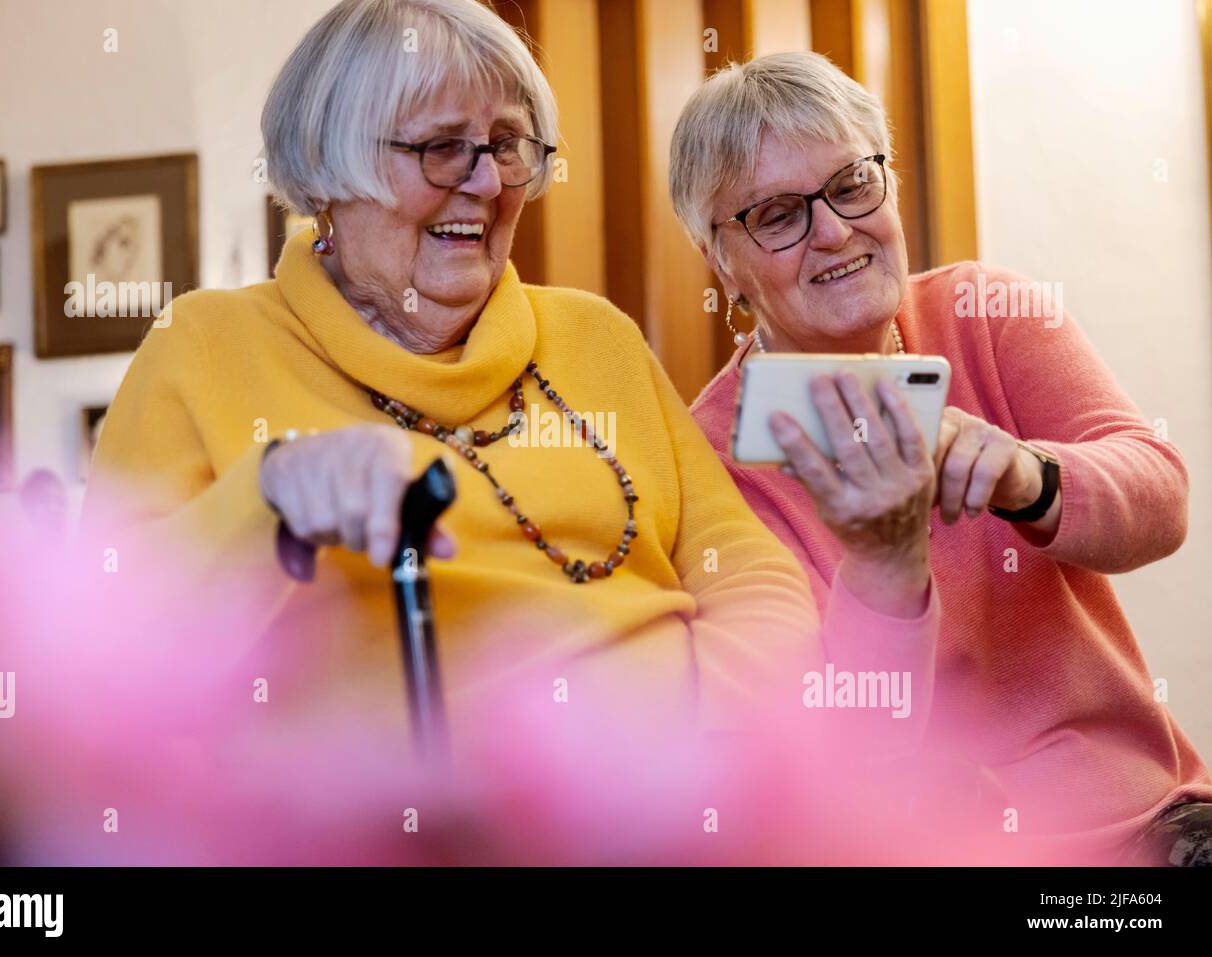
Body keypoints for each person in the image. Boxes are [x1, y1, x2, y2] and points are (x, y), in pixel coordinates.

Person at [82, 2, 936, 746]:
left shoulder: (593, 337)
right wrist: (267, 500)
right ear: (329, 171)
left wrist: (691, 743)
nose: (488, 182)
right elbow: (100, 660)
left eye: (508, 145)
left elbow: (748, 574)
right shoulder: (205, 347)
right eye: (443, 149)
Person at [673, 51, 1212, 862]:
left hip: (1143, 824)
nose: (833, 230)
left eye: (853, 183)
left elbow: (1162, 499)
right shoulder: (706, 458)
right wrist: (884, 564)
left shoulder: (986, 310)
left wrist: (1026, 475)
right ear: (722, 262)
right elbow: (833, 748)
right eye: (779, 214)